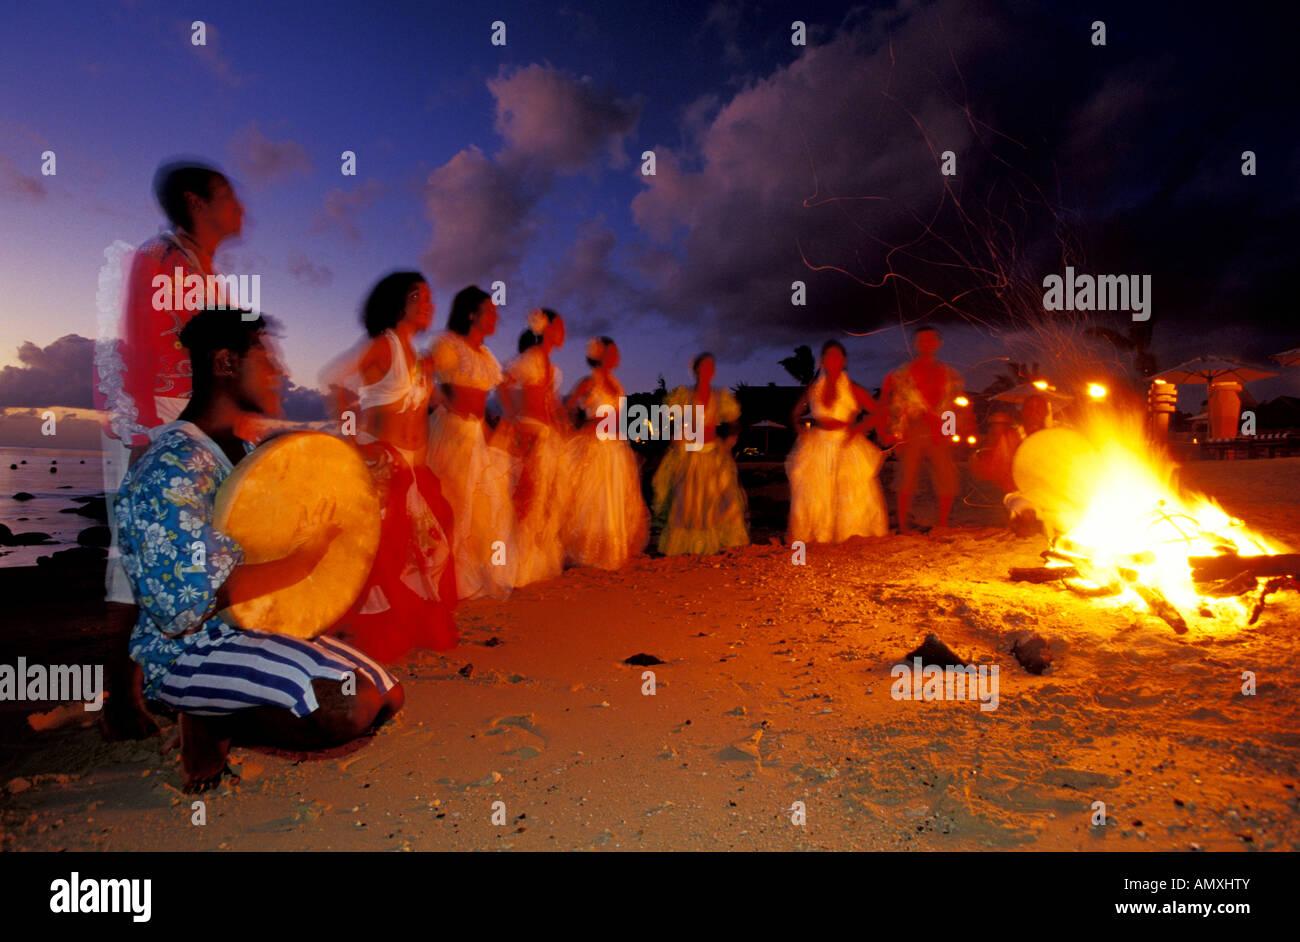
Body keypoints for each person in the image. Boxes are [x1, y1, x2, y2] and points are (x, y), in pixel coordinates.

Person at [115, 308, 403, 793]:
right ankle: (207, 721)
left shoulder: (251, 455)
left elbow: (299, 520)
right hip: (187, 651)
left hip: (256, 627)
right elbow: (182, 607)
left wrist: (361, 489)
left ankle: (223, 711)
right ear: (226, 363)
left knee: (388, 697)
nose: (281, 373)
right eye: (267, 359)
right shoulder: (171, 468)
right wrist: (305, 560)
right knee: (347, 708)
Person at [94, 160, 246, 740]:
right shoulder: (160, 259)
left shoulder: (207, 273)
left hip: (199, 428)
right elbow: (136, 347)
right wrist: (141, 440)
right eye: (228, 195)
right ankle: (121, 698)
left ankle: (189, 685)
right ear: (195, 201)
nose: (240, 207)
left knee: (201, 552)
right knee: (132, 562)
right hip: (157, 422)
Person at [321, 272, 458, 660]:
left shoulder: (418, 357)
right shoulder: (384, 345)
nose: (430, 304)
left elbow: (420, 411)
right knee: (385, 556)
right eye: (420, 296)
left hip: (414, 466)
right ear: (398, 301)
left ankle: (405, 625)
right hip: (383, 460)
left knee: (430, 545)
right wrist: (352, 443)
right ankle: (360, 634)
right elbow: (333, 380)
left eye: (432, 297)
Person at [425, 286, 518, 597]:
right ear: (470, 314)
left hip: (475, 436)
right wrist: (444, 403)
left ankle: (473, 580)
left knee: (486, 506)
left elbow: (480, 406)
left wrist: (491, 438)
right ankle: (441, 583)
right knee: (453, 506)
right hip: (450, 435)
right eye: (490, 311)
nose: (496, 317)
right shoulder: (448, 344)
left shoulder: (486, 356)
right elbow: (420, 375)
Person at [493, 308, 570, 586]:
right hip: (530, 435)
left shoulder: (551, 366)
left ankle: (533, 564)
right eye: (559, 326)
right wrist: (515, 419)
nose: (563, 332)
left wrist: (561, 425)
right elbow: (503, 382)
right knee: (527, 500)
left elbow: (551, 403)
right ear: (546, 329)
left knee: (545, 500)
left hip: (547, 437)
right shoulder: (531, 358)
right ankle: (517, 567)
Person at [786, 340, 888, 543]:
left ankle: (849, 539)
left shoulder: (853, 388)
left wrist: (857, 429)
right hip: (818, 444)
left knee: (850, 493)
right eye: (828, 356)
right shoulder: (813, 389)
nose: (832, 360)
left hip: (846, 443)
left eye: (837, 356)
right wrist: (801, 431)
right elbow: (795, 414)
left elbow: (878, 413)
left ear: (843, 361)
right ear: (822, 361)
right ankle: (819, 539)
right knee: (816, 493)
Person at [562, 337, 648, 569]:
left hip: (613, 445)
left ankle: (609, 551)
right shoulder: (589, 382)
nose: (616, 356)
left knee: (612, 500)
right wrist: (576, 429)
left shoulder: (616, 384)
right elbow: (567, 407)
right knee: (592, 500)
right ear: (600, 355)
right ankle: (587, 553)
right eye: (612, 352)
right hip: (593, 444)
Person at [651, 352, 749, 555]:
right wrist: (676, 435)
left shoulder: (721, 395)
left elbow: (734, 422)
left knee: (717, 498)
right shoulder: (682, 395)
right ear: (695, 370)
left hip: (713, 452)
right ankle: (689, 546)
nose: (707, 371)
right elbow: (666, 418)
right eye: (703, 367)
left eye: (710, 367)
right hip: (690, 452)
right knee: (689, 502)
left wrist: (730, 439)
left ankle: (716, 544)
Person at [882, 326, 966, 533]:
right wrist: (898, 436)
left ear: (938, 343)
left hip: (939, 428)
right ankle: (902, 525)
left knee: (946, 477)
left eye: (930, 340)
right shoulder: (903, 374)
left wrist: (949, 431)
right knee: (907, 477)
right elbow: (897, 406)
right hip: (914, 427)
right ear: (916, 344)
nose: (926, 344)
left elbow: (954, 406)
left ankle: (943, 524)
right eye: (922, 340)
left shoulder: (950, 374)